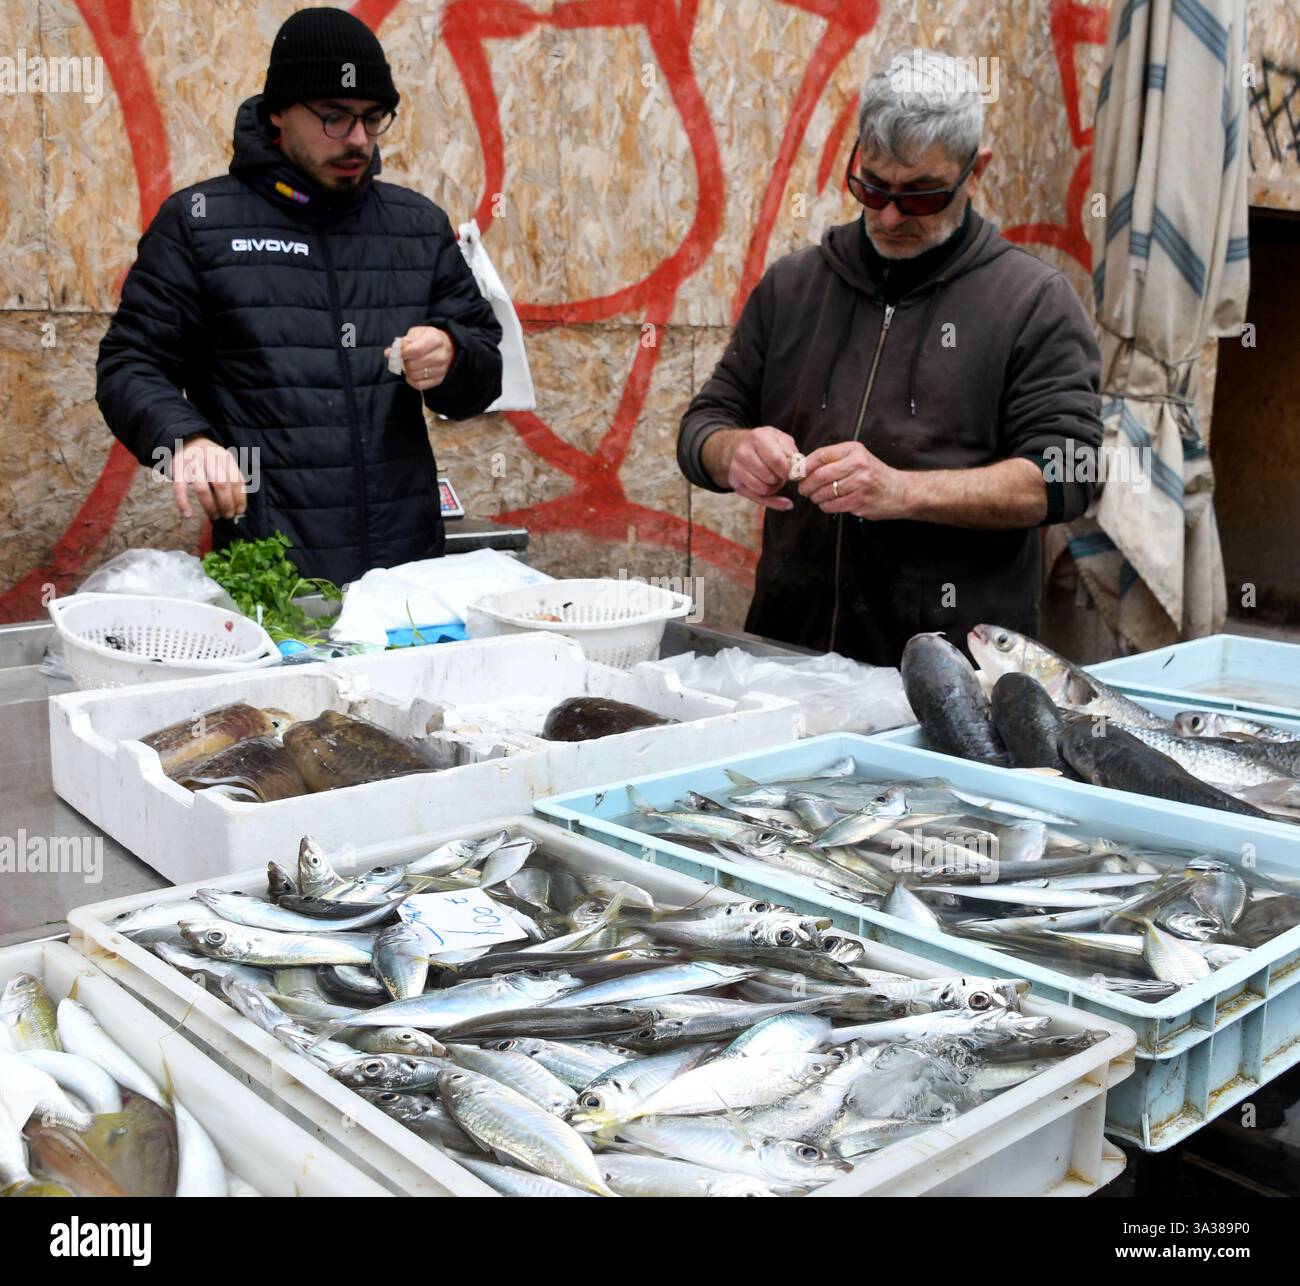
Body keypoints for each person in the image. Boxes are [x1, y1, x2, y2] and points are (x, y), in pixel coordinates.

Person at [677, 50, 1103, 665]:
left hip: (953, 676)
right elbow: (704, 424)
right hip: (789, 659)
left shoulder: (1033, 303)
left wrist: (902, 491)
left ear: (974, 172)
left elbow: (1067, 475)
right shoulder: (795, 286)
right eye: (870, 186)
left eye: (921, 195)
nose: (889, 214)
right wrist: (731, 455)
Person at [97, 7, 502, 585]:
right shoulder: (199, 223)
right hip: (269, 577)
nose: (358, 139)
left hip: (406, 578)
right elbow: (128, 365)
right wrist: (185, 440)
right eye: (335, 118)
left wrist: (455, 353)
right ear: (278, 114)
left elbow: (484, 374)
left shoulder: (416, 226)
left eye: (372, 118)